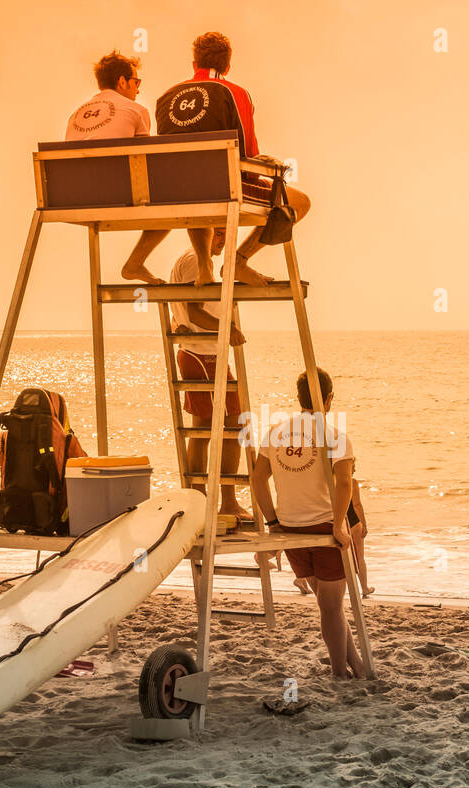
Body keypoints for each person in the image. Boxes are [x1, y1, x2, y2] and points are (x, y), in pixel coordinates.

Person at [155, 32, 312, 286]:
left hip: (179, 193)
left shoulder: (166, 97)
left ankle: (205, 263)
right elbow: (249, 163)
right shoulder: (235, 92)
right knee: (300, 202)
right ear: (227, 66)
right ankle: (238, 261)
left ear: (194, 64)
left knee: (194, 181)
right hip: (225, 190)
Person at [251, 368, 366, 679]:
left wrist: (273, 521)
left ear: (298, 398)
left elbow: (258, 480)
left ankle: (355, 664)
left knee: (330, 605)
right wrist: (339, 525)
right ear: (329, 399)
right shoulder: (336, 437)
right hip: (323, 528)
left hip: (290, 528)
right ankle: (339, 675)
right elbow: (345, 485)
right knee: (330, 606)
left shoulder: (275, 433)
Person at [66, 51, 169, 285]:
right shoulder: (135, 110)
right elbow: (146, 160)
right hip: (113, 195)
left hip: (71, 198)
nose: (138, 89)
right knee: (180, 201)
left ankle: (135, 265)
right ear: (121, 81)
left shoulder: (76, 114)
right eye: (136, 81)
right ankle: (135, 262)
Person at [169, 229, 249, 518]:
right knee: (228, 427)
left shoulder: (192, 262)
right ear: (204, 235)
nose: (222, 243)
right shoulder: (194, 260)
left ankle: (205, 502)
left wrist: (179, 323)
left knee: (207, 429)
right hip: (203, 354)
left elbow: (181, 310)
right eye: (217, 237)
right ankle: (220, 502)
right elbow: (195, 312)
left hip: (202, 352)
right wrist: (227, 328)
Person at [348, 465, 375, 596]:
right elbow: (356, 505)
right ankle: (364, 588)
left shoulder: (329, 482)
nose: (354, 470)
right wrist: (364, 524)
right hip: (353, 522)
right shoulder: (352, 482)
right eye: (352, 466)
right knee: (359, 557)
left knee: (341, 558)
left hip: (338, 523)